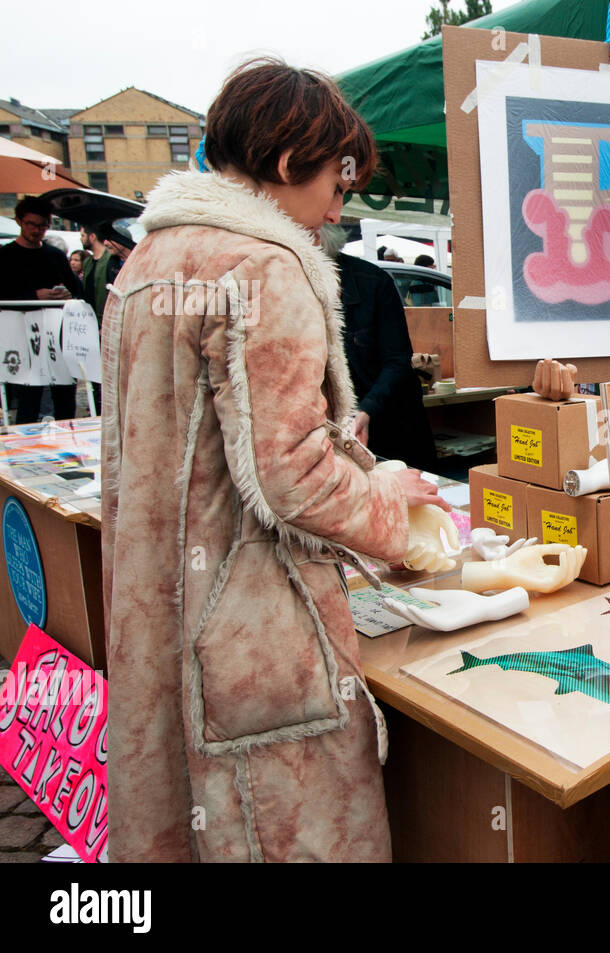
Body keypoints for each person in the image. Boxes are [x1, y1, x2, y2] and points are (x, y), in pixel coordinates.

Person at [100, 57, 447, 862]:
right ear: (290, 163)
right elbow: (291, 473)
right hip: (253, 628)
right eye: (335, 182)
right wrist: (391, 505)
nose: (334, 210)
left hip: (161, 612)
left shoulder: (146, 264)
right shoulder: (265, 264)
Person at [324, 231, 440, 472]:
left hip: (391, 424)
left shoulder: (372, 281)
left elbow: (397, 360)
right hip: (338, 432)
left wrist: (366, 410)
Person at [0, 195, 84, 422]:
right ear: (19, 221)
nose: (37, 231)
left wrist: (67, 294)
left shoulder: (55, 256)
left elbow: (77, 289)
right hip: (21, 336)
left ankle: (69, 439)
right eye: (31, 224)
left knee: (65, 393)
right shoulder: (6, 256)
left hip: (57, 334)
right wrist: (33, 296)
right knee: (29, 396)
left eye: (42, 226)